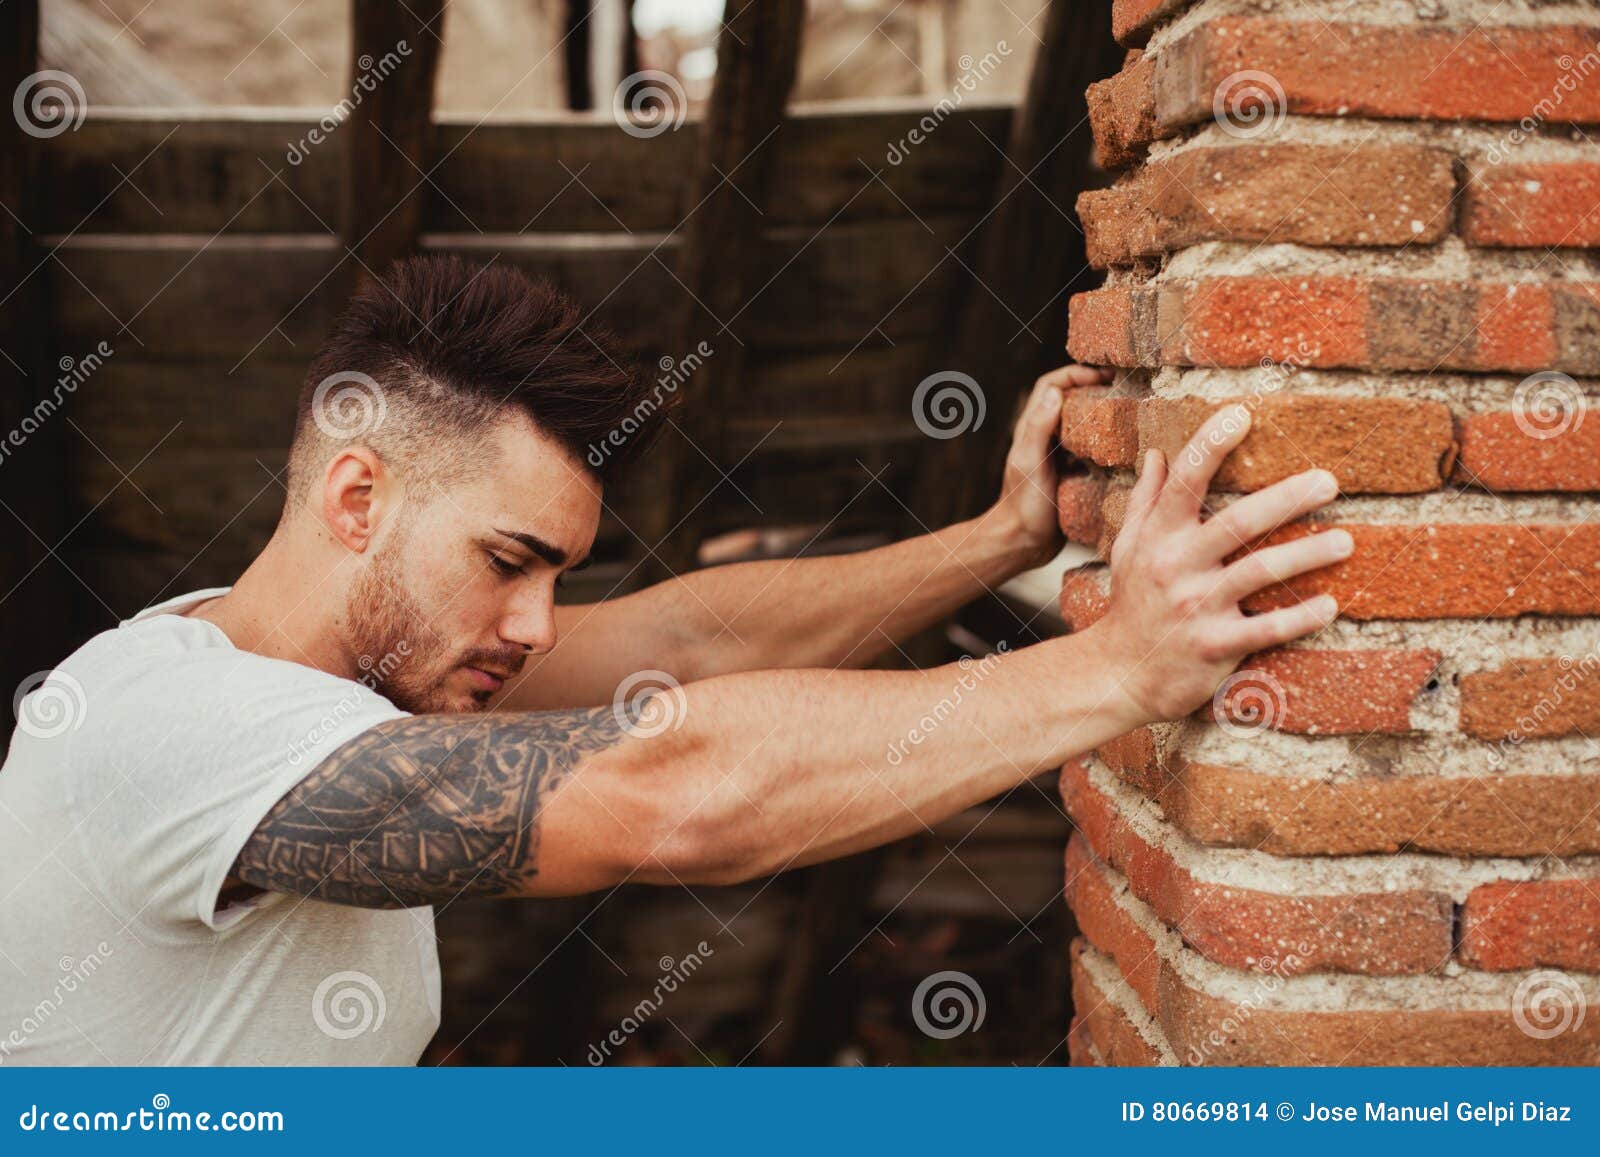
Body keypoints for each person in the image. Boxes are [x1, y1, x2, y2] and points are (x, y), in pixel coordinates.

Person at [0, 256, 1350, 1065]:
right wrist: (1121, 670)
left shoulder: (331, 663)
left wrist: (994, 544)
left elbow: (688, 637)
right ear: (358, 498)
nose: (533, 627)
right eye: (506, 559)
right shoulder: (174, 727)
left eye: (555, 581)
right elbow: (668, 786)